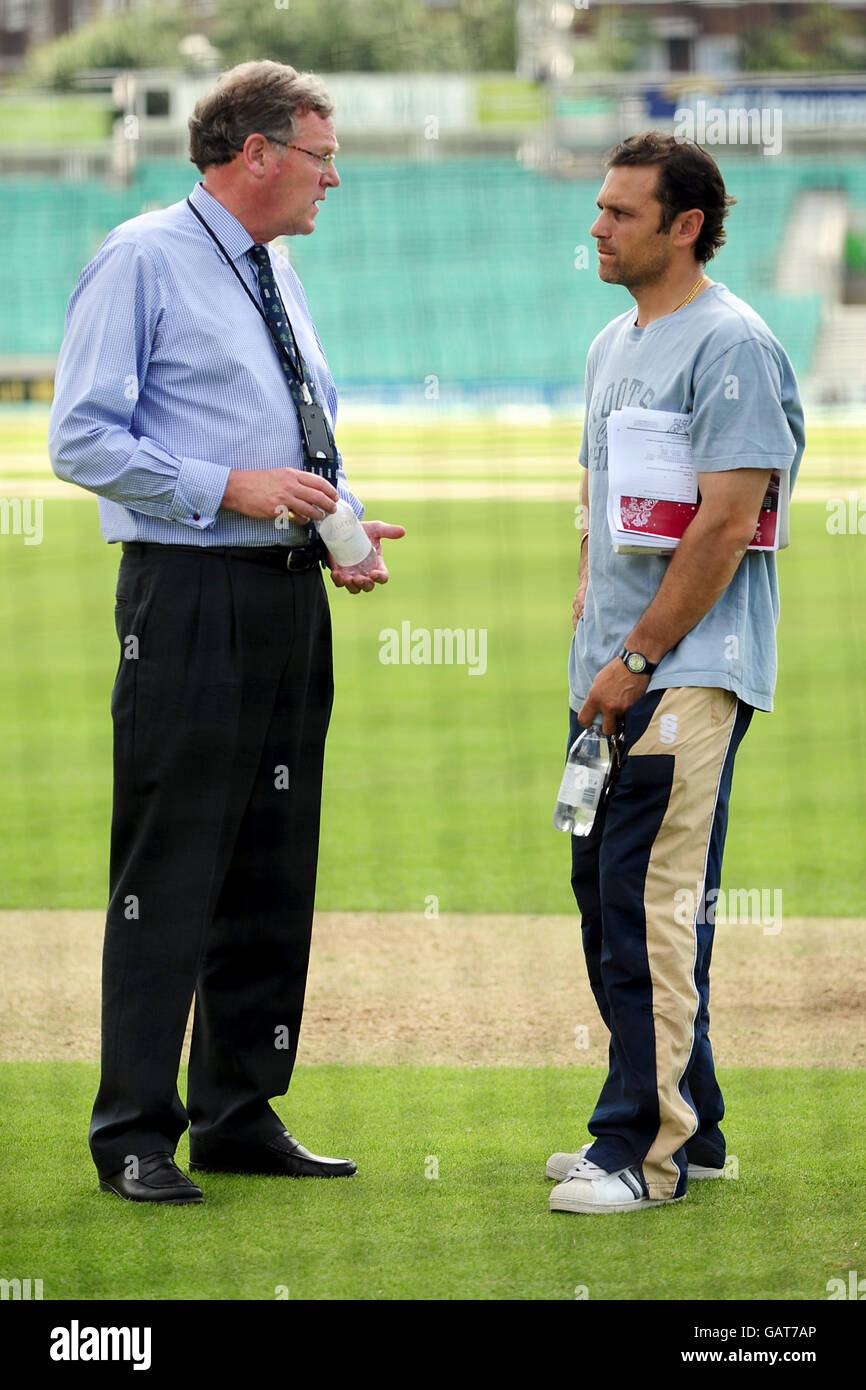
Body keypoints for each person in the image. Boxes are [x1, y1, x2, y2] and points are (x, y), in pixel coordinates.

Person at [48, 60, 404, 1204]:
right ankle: (134, 1134)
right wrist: (231, 489)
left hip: (285, 592)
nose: (331, 178)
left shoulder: (273, 270)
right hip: (188, 601)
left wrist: (334, 519)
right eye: (318, 155)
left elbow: (283, 434)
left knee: (270, 863)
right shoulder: (142, 256)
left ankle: (240, 1112)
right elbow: (82, 440)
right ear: (254, 153)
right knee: (171, 866)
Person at [546, 131, 803, 1215]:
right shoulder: (616, 340)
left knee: (649, 905)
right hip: (612, 673)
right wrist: (589, 651)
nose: (595, 228)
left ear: (684, 224)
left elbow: (727, 520)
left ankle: (638, 1153)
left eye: (619, 213)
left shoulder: (732, 343)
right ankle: (687, 1127)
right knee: (605, 900)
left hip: (684, 669)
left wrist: (639, 654)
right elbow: (597, 516)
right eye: (598, 209)